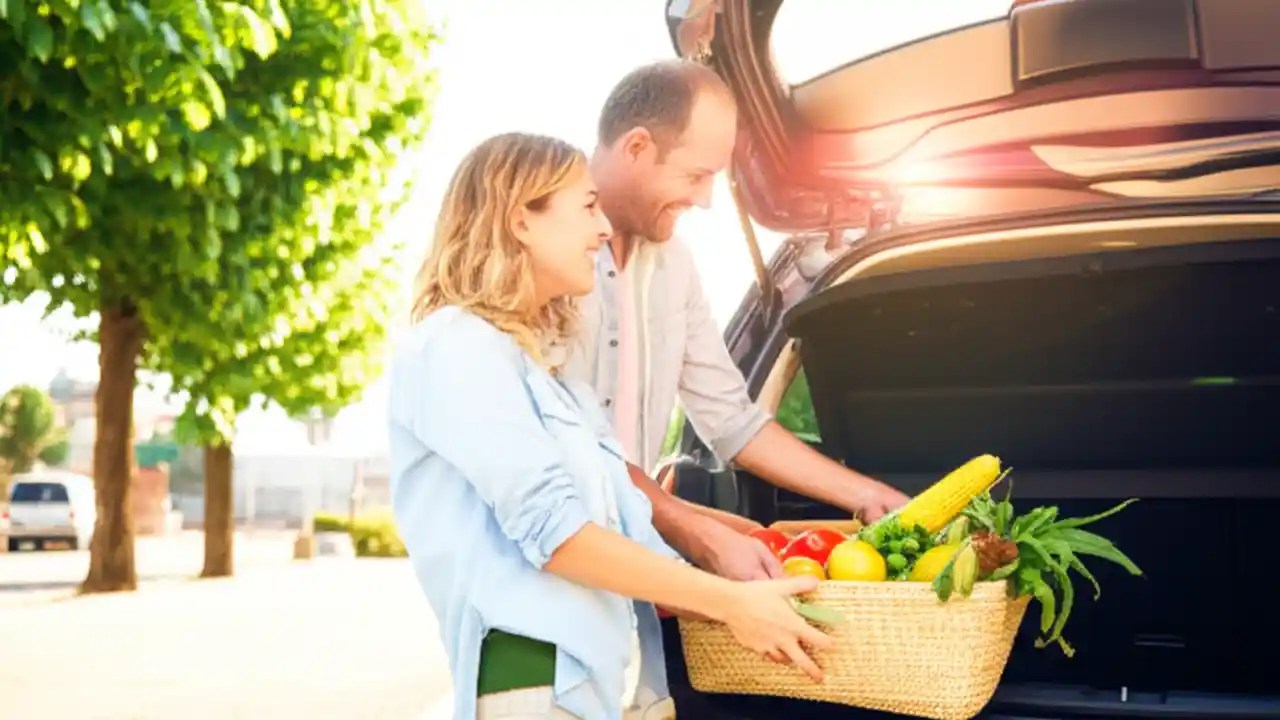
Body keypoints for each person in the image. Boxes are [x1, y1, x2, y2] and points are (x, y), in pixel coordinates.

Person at [387, 132, 832, 720]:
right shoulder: (456, 347)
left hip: (590, 685)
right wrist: (728, 603)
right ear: (521, 221)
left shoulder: (547, 376)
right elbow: (557, 535)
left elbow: (627, 518)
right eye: (587, 206)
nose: (602, 230)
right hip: (532, 681)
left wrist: (753, 547)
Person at [560, 60, 914, 718]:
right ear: (636, 147)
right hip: (549, 593)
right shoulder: (545, 260)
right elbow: (571, 447)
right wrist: (693, 529)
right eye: (695, 176)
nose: (705, 200)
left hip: (634, 596)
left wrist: (867, 496)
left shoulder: (675, 266)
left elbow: (733, 421)